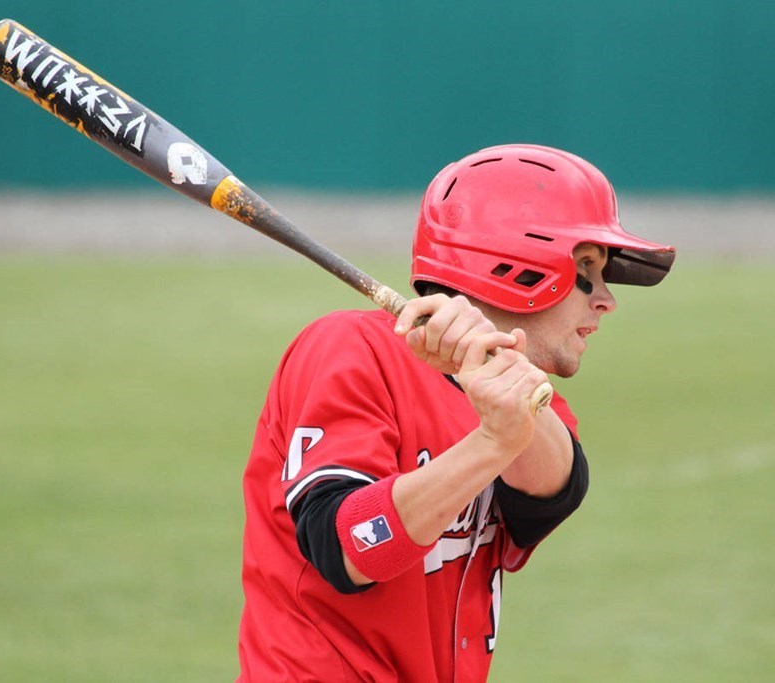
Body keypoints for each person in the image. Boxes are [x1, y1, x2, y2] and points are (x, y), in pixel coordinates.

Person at [236, 144, 676, 682]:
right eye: (587, 268)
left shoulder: (528, 397)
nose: (606, 299)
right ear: (518, 267)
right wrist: (491, 442)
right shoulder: (350, 347)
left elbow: (556, 492)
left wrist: (501, 407)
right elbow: (349, 547)